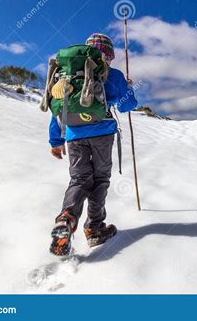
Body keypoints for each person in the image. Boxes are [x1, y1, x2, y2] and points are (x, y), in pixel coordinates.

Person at [49, 33, 137, 256]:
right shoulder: (112, 74)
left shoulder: (67, 76)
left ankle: (66, 218)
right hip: (102, 134)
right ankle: (94, 228)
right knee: (100, 180)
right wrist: (126, 86)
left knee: (79, 179)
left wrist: (56, 141)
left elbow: (59, 110)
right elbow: (129, 105)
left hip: (73, 135)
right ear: (108, 55)